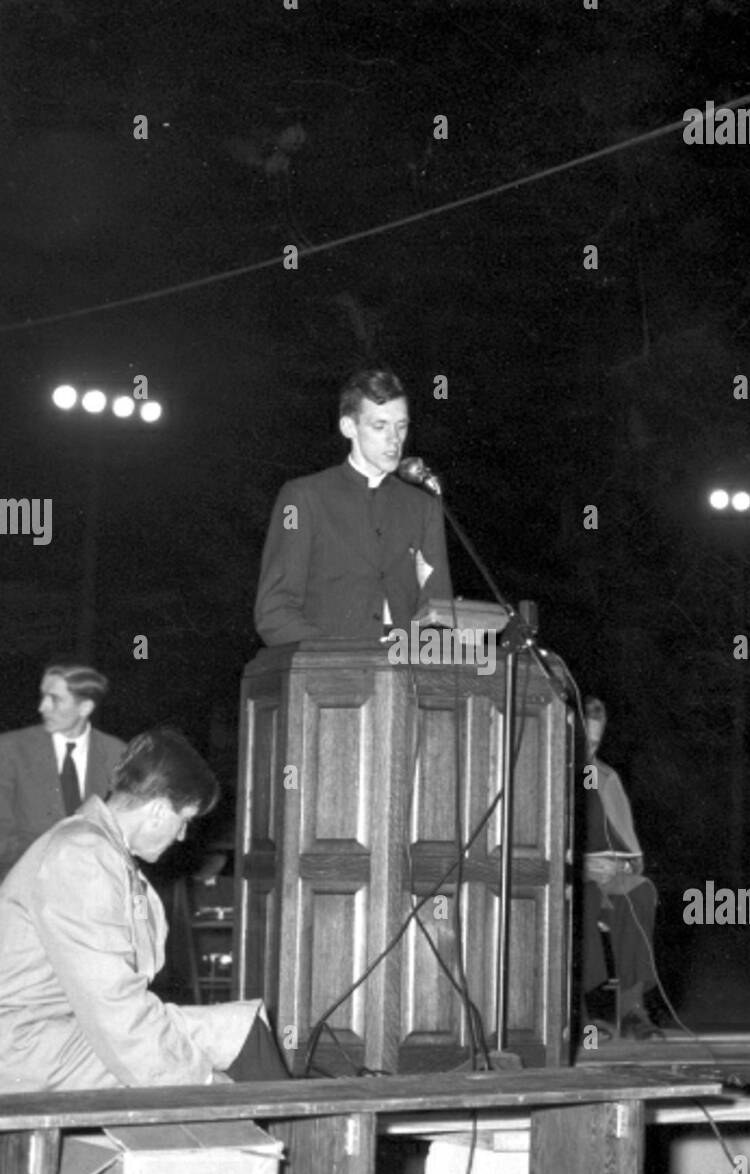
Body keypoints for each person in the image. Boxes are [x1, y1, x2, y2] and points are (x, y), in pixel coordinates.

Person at [0, 728, 290, 1091]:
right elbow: (113, 1007)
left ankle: (275, 1138)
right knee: (211, 1055)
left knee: (241, 1027)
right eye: (183, 821)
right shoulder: (80, 856)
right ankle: (269, 1138)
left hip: (58, 1033)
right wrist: (200, 1081)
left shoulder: (96, 847)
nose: (182, 836)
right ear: (157, 810)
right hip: (28, 1051)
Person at [254, 366, 452, 645]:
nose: (394, 439)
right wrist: (336, 656)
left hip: (407, 674)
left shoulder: (424, 506)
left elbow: (440, 612)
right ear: (349, 427)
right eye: (380, 426)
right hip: (329, 673)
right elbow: (274, 611)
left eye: (401, 426)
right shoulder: (300, 499)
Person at [580, 698, 663, 1041]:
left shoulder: (605, 776)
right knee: (581, 898)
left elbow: (626, 840)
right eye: (584, 739)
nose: (590, 748)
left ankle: (631, 1009)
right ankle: (577, 1014)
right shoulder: (548, 771)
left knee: (639, 892)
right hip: (575, 877)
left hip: (609, 876)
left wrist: (624, 863)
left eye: (596, 742)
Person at [0, 662, 126, 881]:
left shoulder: (118, 754)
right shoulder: (9, 750)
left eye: (55, 699)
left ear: (85, 707)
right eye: (43, 696)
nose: (43, 707)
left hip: (93, 888)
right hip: (22, 886)